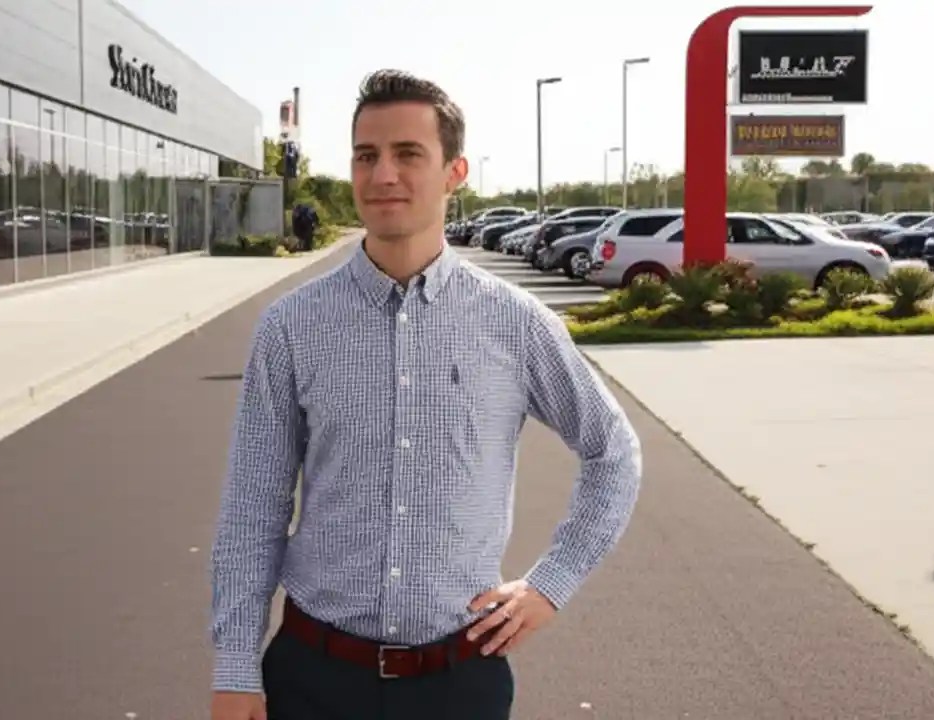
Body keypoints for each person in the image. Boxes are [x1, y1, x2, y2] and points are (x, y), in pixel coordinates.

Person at [209, 69, 642, 720]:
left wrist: (550, 585)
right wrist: (236, 666)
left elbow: (614, 453)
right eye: (367, 155)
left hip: (458, 683)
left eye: (408, 154)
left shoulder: (515, 324)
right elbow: (252, 508)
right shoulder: (291, 327)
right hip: (313, 678)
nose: (384, 174)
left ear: (454, 172)